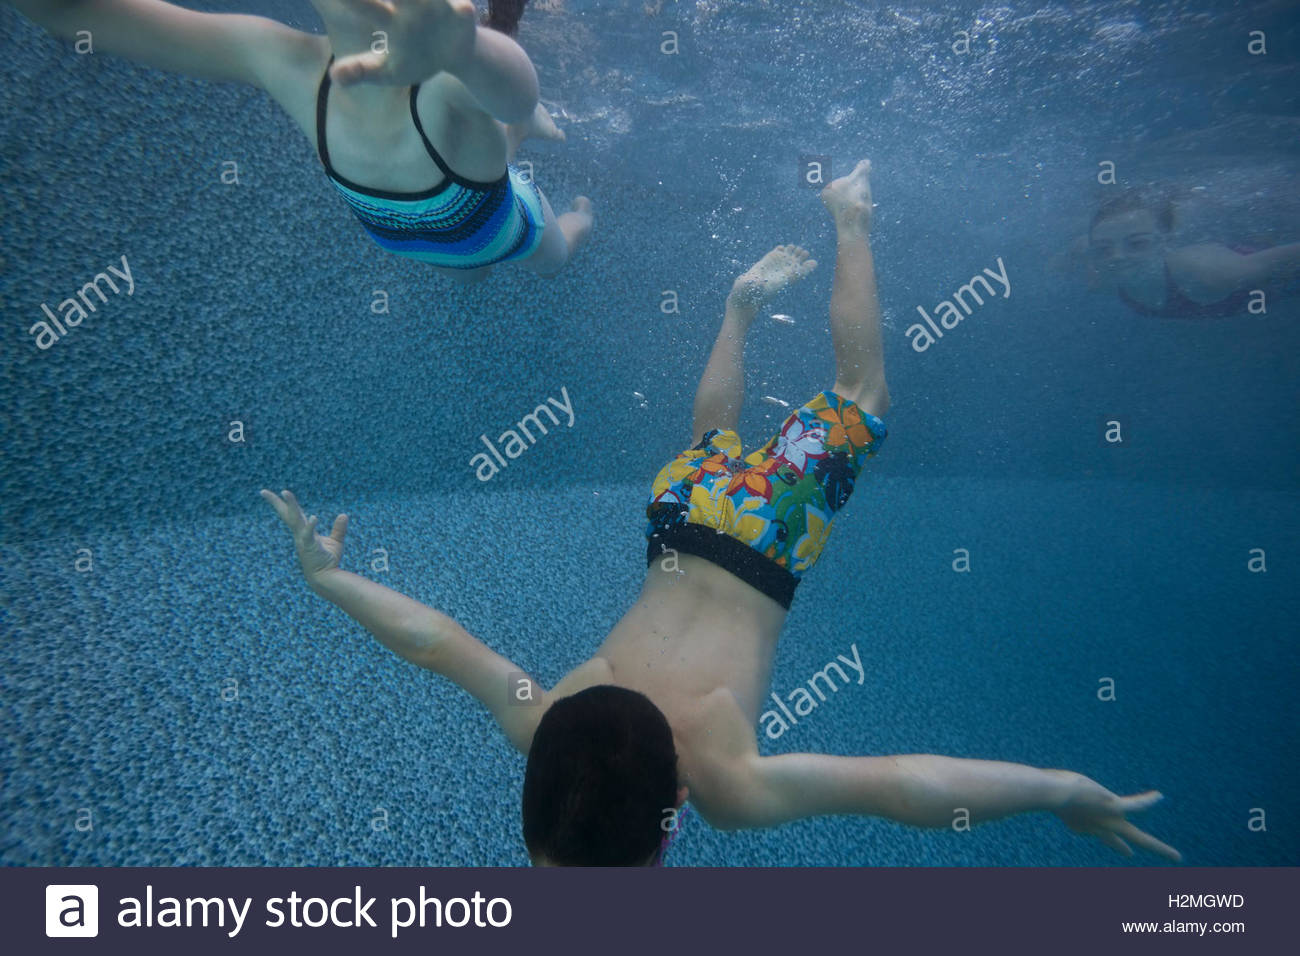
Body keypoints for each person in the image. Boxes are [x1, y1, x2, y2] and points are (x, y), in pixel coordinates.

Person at [262, 161, 1180, 866]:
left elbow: (905, 787)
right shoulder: (537, 722)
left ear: (671, 818)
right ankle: (737, 313)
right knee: (711, 436)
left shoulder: (728, 785)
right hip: (679, 519)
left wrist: (1061, 789)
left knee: (861, 393)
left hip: (767, 539)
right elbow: (435, 640)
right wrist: (330, 578)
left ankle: (849, 215)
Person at [10, 0, 594, 282]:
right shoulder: (280, 60)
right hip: (436, 238)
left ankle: (579, 212)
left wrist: (467, 51)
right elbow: (69, 13)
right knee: (467, 278)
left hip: (508, 227)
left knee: (554, 254)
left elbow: (512, 90)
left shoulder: (442, 83)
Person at [1077, 191, 1299, 317]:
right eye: (1104, 249)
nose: (1117, 256)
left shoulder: (1206, 273)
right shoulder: (1102, 277)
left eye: (1137, 244)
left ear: (1166, 244)